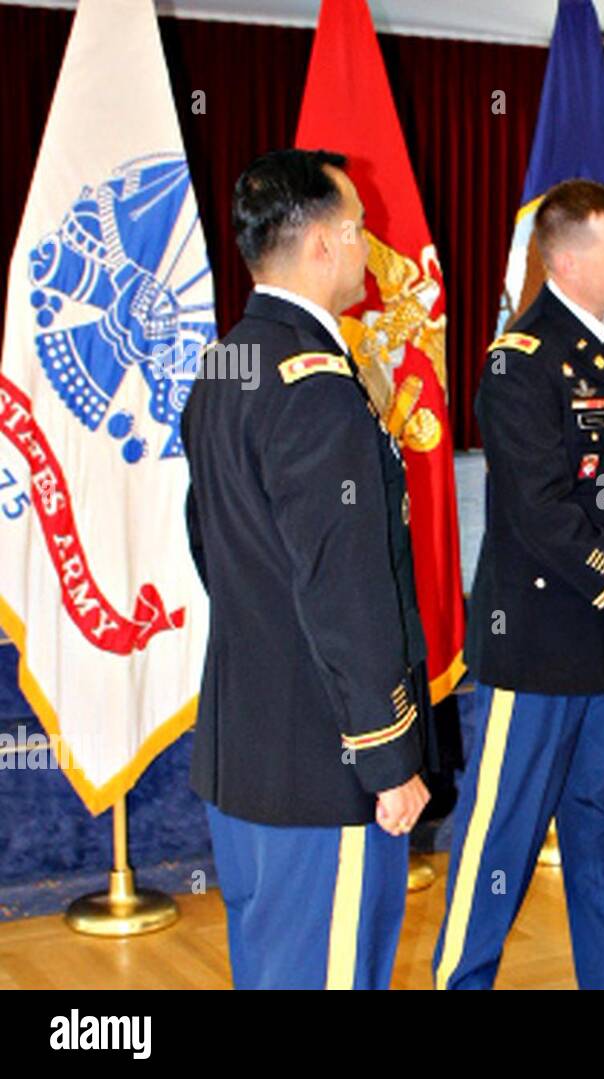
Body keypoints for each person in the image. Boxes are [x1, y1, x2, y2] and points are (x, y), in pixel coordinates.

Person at [432, 179, 604, 990]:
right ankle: (461, 981)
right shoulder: (521, 360)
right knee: (501, 842)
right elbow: (547, 515)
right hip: (540, 649)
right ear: (566, 259)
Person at [182, 149, 431, 990]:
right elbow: (344, 589)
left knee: (272, 968)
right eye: (359, 229)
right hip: (323, 759)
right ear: (323, 244)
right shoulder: (318, 387)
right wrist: (388, 754)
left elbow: (209, 539)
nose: (370, 248)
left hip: (245, 742)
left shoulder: (227, 363)